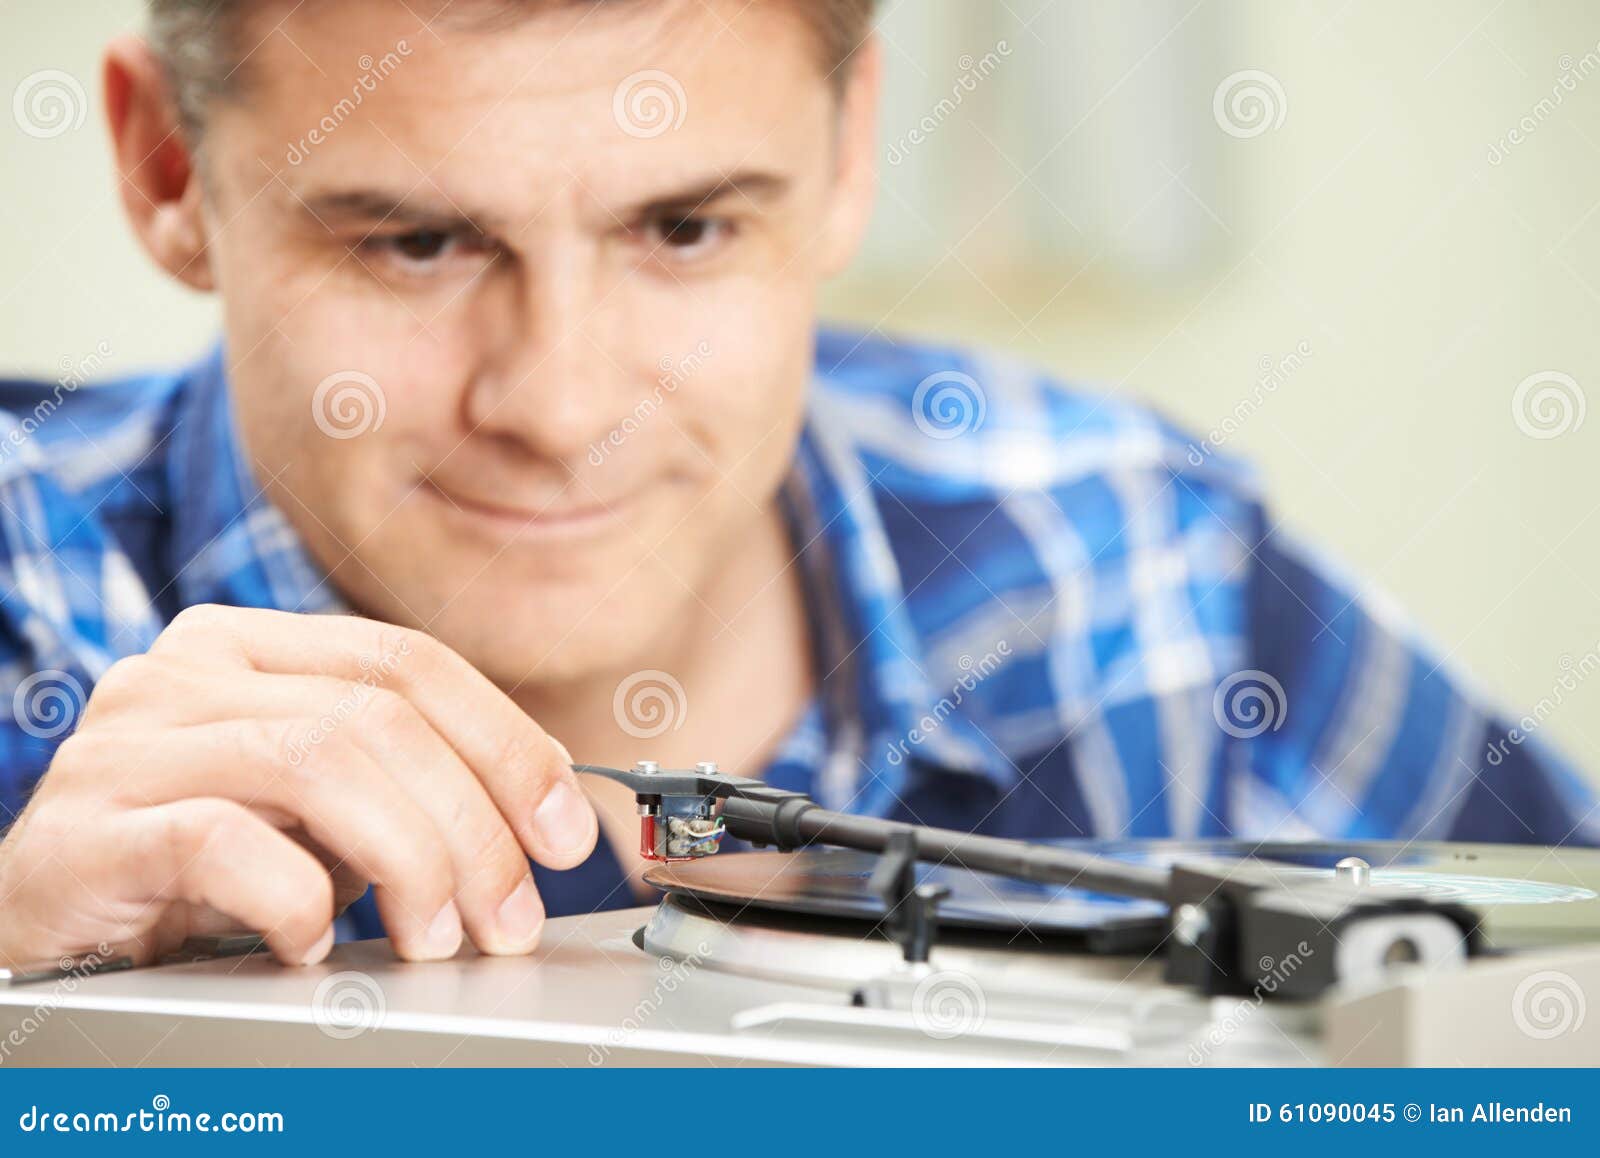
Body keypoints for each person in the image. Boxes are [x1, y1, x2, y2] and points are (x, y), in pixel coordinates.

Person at [0, 0, 1592, 973]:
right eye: (415, 242)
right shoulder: (24, 587)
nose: (561, 407)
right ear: (164, 171)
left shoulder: (1130, 568)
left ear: (849, 155)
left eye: (684, 229)